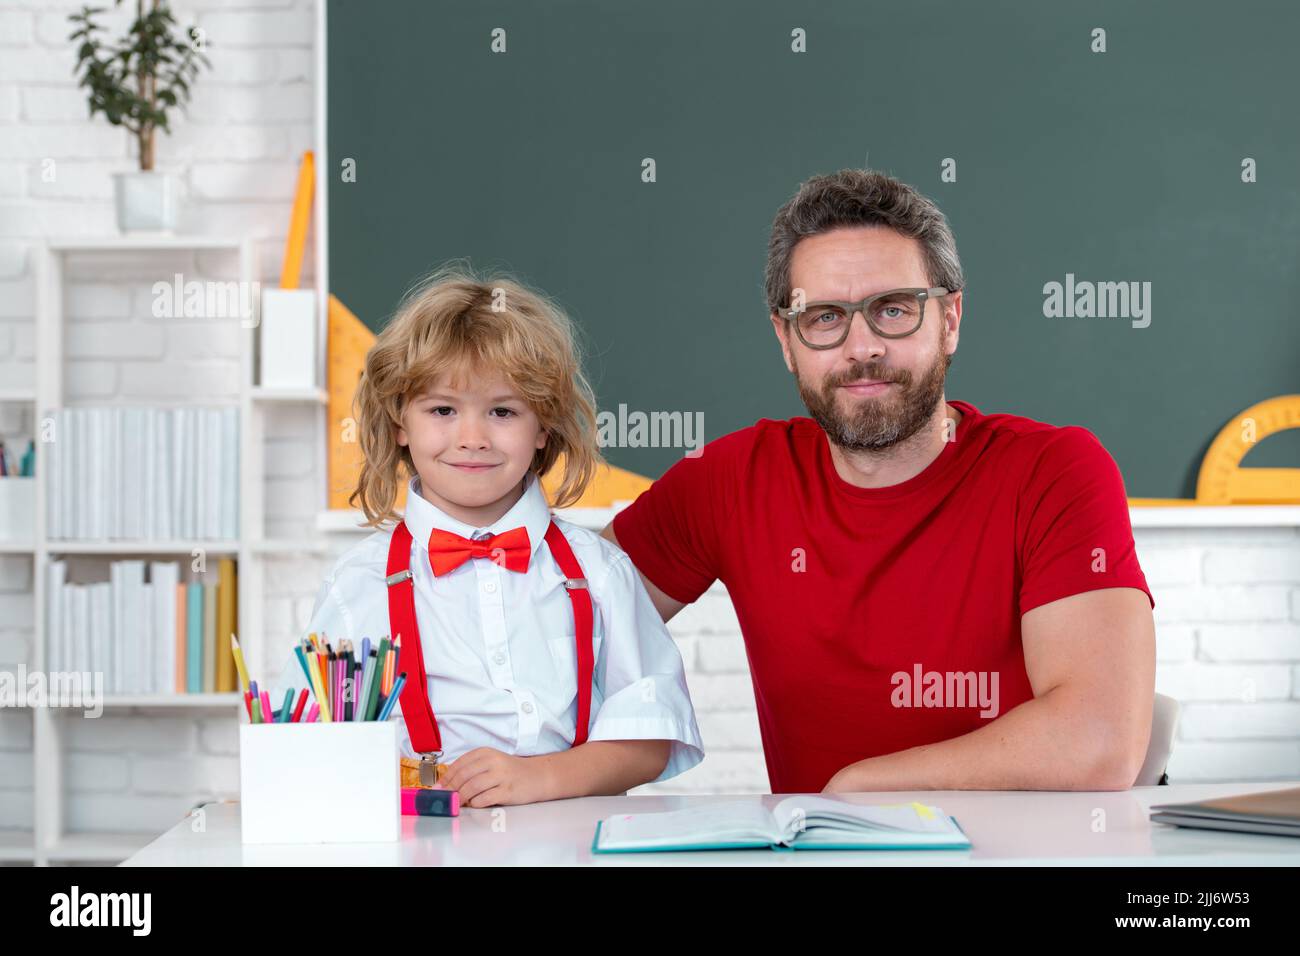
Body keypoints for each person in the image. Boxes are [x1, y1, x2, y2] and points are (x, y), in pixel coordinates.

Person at [603, 168, 1156, 795]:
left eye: (893, 310)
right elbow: (563, 627)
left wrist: (860, 789)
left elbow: (1099, 742)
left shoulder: (1054, 471)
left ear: (949, 320)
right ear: (787, 340)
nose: (861, 346)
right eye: (824, 318)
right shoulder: (728, 480)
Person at [274, 264, 703, 807]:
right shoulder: (357, 582)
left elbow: (649, 741)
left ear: (543, 425)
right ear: (401, 423)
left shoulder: (600, 571)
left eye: (502, 411)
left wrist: (542, 778)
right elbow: (306, 742)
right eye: (443, 410)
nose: (472, 438)